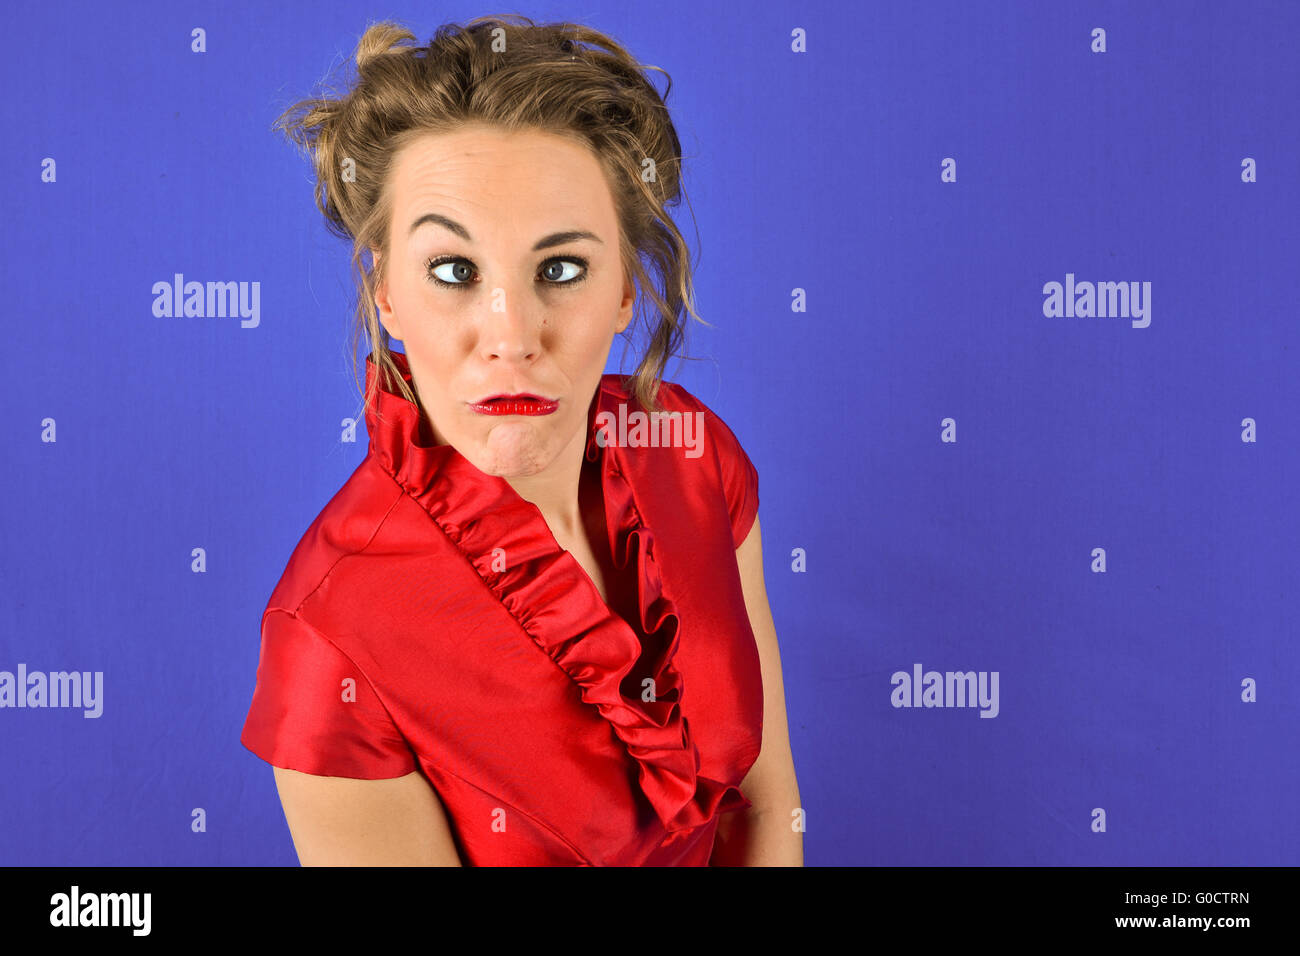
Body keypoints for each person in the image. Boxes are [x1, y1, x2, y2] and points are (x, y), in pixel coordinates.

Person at [240, 14, 801, 866]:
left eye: (561, 269)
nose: (512, 334)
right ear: (386, 291)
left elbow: (765, 805)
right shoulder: (330, 638)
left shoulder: (692, 454)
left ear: (625, 291)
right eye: (455, 272)